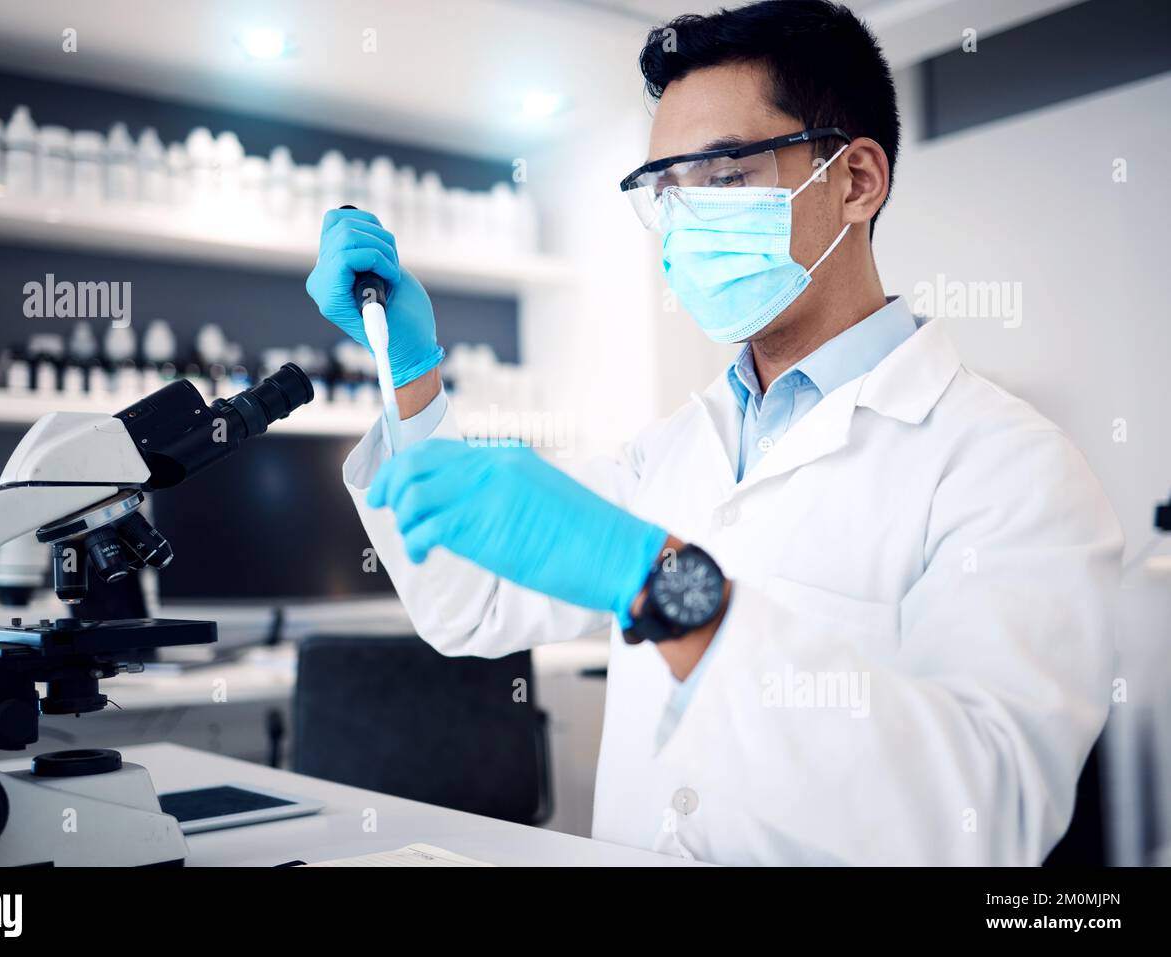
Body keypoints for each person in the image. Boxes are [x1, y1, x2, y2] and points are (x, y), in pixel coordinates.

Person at [304, 0, 1122, 865]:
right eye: (666, 189)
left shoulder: (1013, 469)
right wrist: (410, 372)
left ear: (856, 180)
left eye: (723, 177)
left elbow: (982, 820)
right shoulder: (670, 451)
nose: (685, 221)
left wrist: (665, 586)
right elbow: (466, 602)